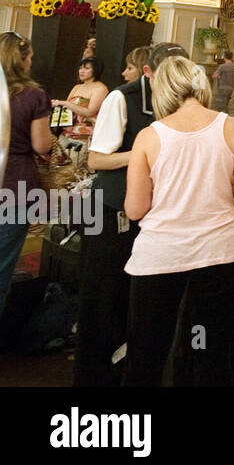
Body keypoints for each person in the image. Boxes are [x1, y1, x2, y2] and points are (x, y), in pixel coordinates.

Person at [122, 56, 234, 386]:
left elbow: (135, 209)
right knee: (212, 351)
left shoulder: (149, 136)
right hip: (219, 251)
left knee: (146, 353)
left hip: (160, 254)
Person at [76, 42, 187, 386]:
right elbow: (97, 160)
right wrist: (144, 152)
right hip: (110, 210)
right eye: (167, 75)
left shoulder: (181, 100)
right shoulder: (120, 99)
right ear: (148, 72)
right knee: (102, 297)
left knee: (139, 297)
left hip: (153, 212)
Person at [0, 32, 53, 315]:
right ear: (20, 60)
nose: (32, 63)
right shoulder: (33, 95)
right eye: (30, 57)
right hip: (16, 186)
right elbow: (42, 145)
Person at [53, 55, 108, 126]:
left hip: (87, 132)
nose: (82, 71)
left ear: (96, 70)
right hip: (67, 129)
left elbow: (90, 112)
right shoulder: (77, 87)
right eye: (81, 68)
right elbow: (66, 108)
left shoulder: (100, 88)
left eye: (86, 68)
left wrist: (65, 103)